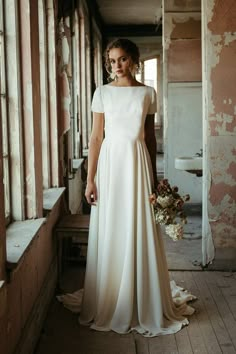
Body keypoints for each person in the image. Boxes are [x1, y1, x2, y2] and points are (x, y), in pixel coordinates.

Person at [58, 38, 195, 337]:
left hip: (138, 164)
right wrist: (91, 178)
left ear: (133, 59)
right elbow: (95, 139)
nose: (116, 66)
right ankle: (111, 297)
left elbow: (149, 138)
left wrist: (155, 178)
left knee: (138, 224)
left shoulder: (148, 93)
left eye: (121, 59)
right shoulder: (102, 93)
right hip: (110, 165)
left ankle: (139, 296)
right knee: (113, 225)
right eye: (112, 61)